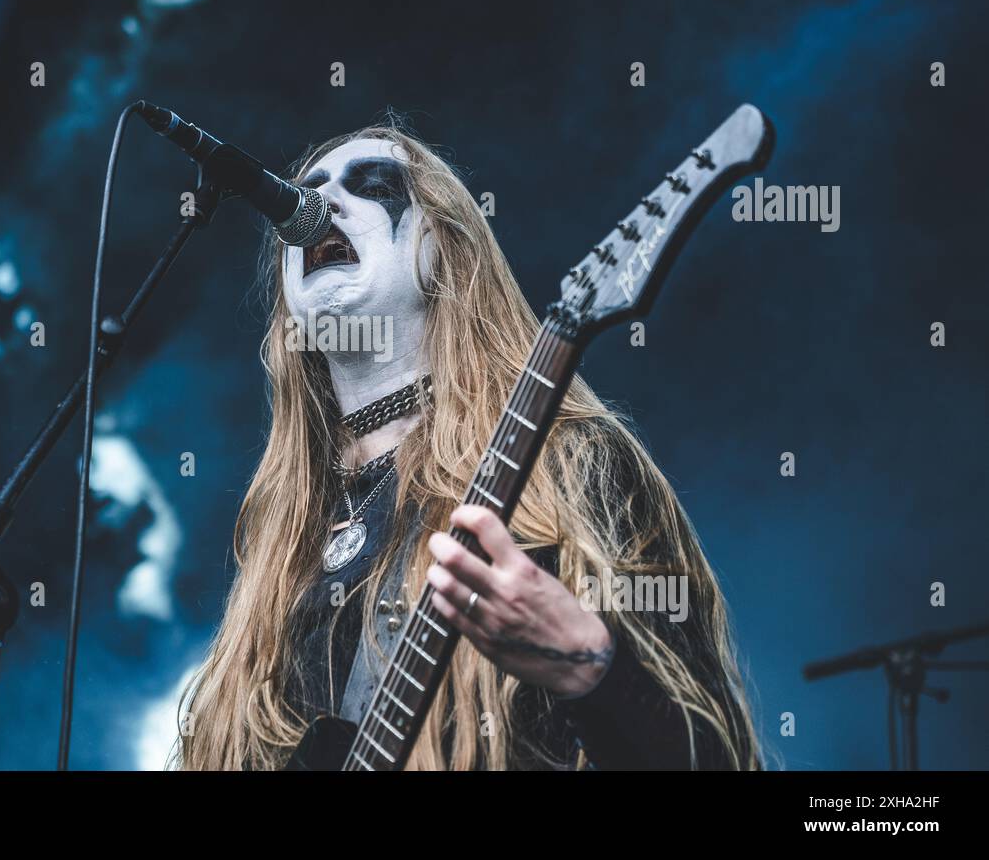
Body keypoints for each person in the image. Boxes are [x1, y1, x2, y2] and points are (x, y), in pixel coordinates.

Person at [177, 120, 759, 770]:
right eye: (306, 189)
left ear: (438, 244)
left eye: (370, 185)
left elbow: (716, 757)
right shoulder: (282, 542)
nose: (318, 205)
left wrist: (594, 668)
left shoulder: (564, 464)